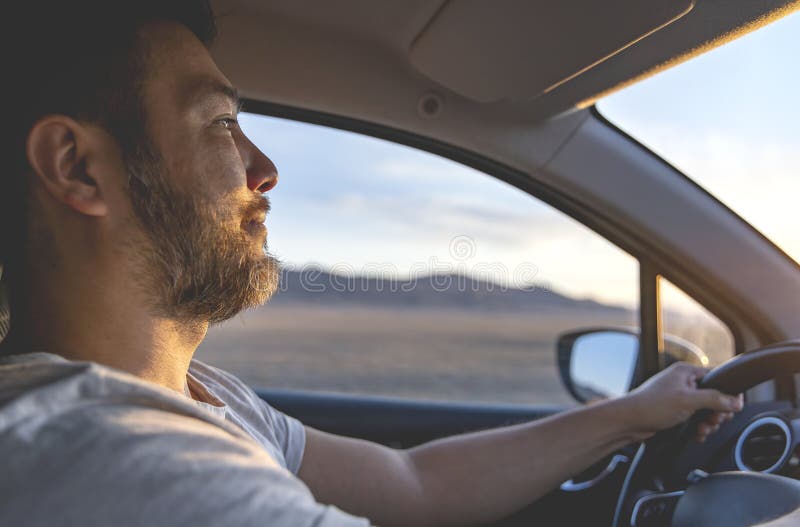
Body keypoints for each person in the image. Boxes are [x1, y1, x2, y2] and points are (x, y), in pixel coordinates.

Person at [0, 2, 745, 526]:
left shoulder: (198, 398)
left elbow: (413, 482)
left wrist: (636, 411)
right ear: (78, 167)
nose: (264, 169)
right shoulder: (108, 456)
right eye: (222, 123)